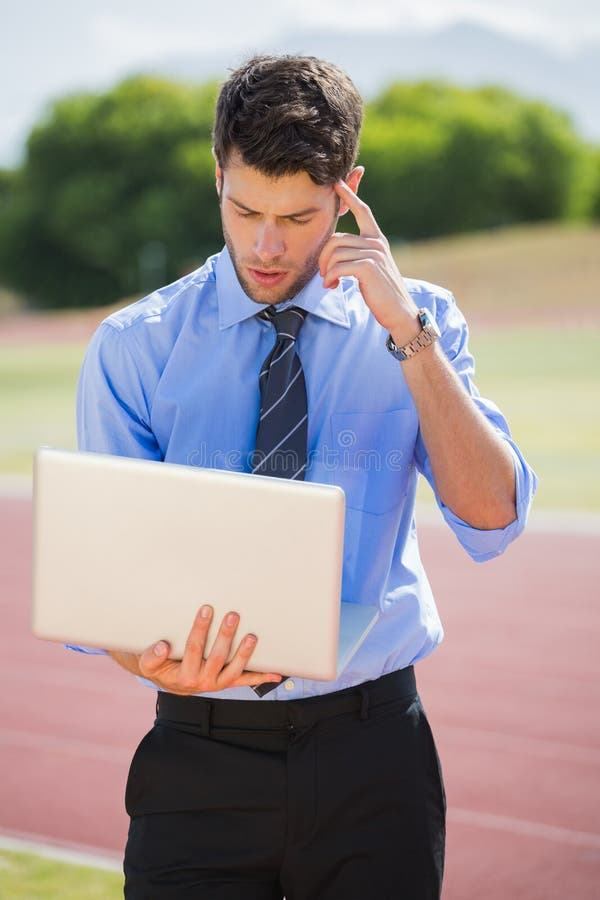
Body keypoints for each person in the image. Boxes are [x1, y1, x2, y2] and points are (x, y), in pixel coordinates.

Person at [72, 54, 537, 899]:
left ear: (349, 191)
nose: (267, 244)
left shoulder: (420, 323)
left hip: (375, 757)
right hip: (197, 761)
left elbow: (491, 515)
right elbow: (107, 593)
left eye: (298, 215)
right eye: (244, 208)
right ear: (217, 174)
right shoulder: (134, 346)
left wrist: (408, 335)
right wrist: (150, 664)